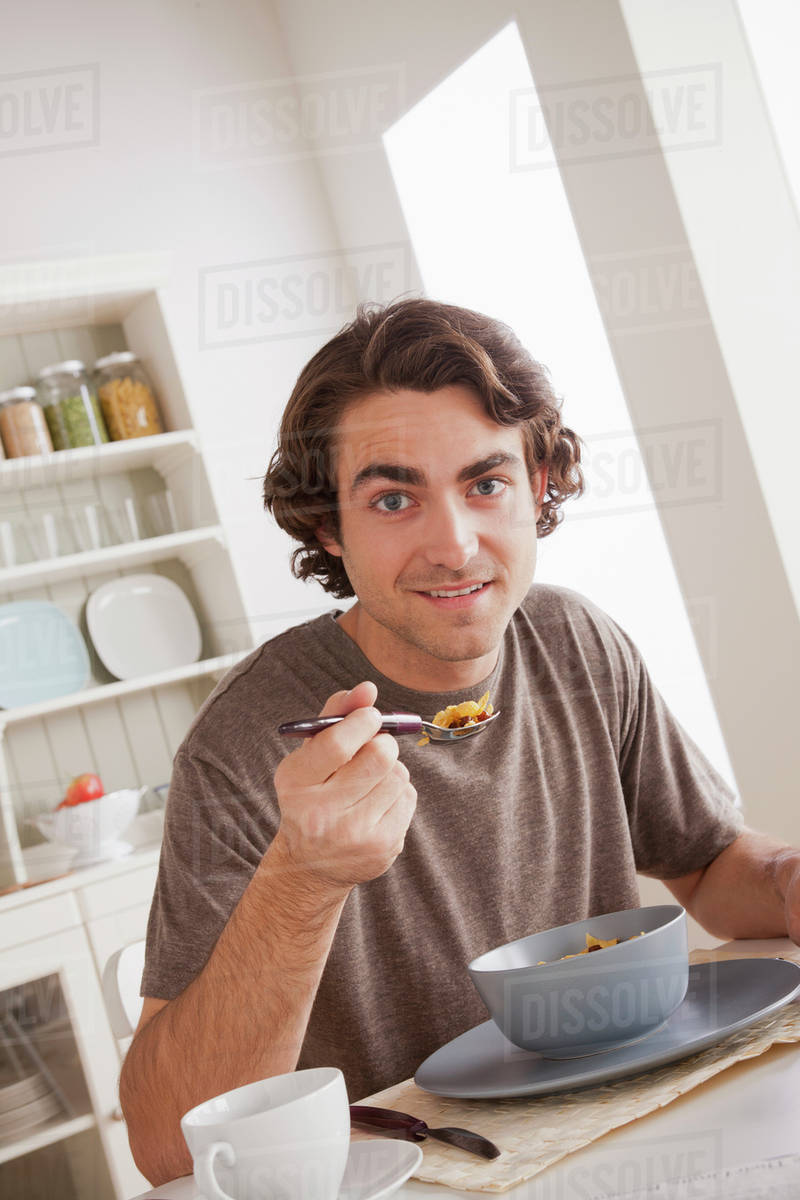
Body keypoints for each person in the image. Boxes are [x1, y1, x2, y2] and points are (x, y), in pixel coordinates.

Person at [120, 298, 800, 1187]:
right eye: (395, 498)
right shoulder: (249, 740)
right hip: (427, 1175)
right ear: (329, 526)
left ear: (540, 485)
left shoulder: (576, 642)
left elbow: (712, 871)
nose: (454, 543)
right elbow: (169, 1145)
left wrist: (786, 879)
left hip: (631, 1133)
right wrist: (302, 879)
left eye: (485, 484)